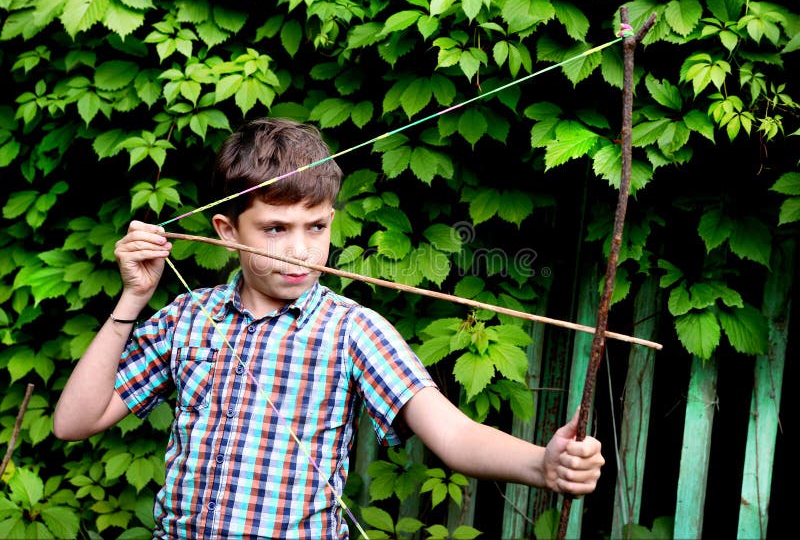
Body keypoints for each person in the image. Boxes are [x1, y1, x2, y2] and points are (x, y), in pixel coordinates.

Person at [54, 118, 604, 539]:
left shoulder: (352, 329)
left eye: (316, 227)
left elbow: (453, 434)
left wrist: (541, 464)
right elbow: (74, 422)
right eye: (274, 229)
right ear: (226, 229)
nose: (299, 250)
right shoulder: (189, 317)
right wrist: (135, 297)